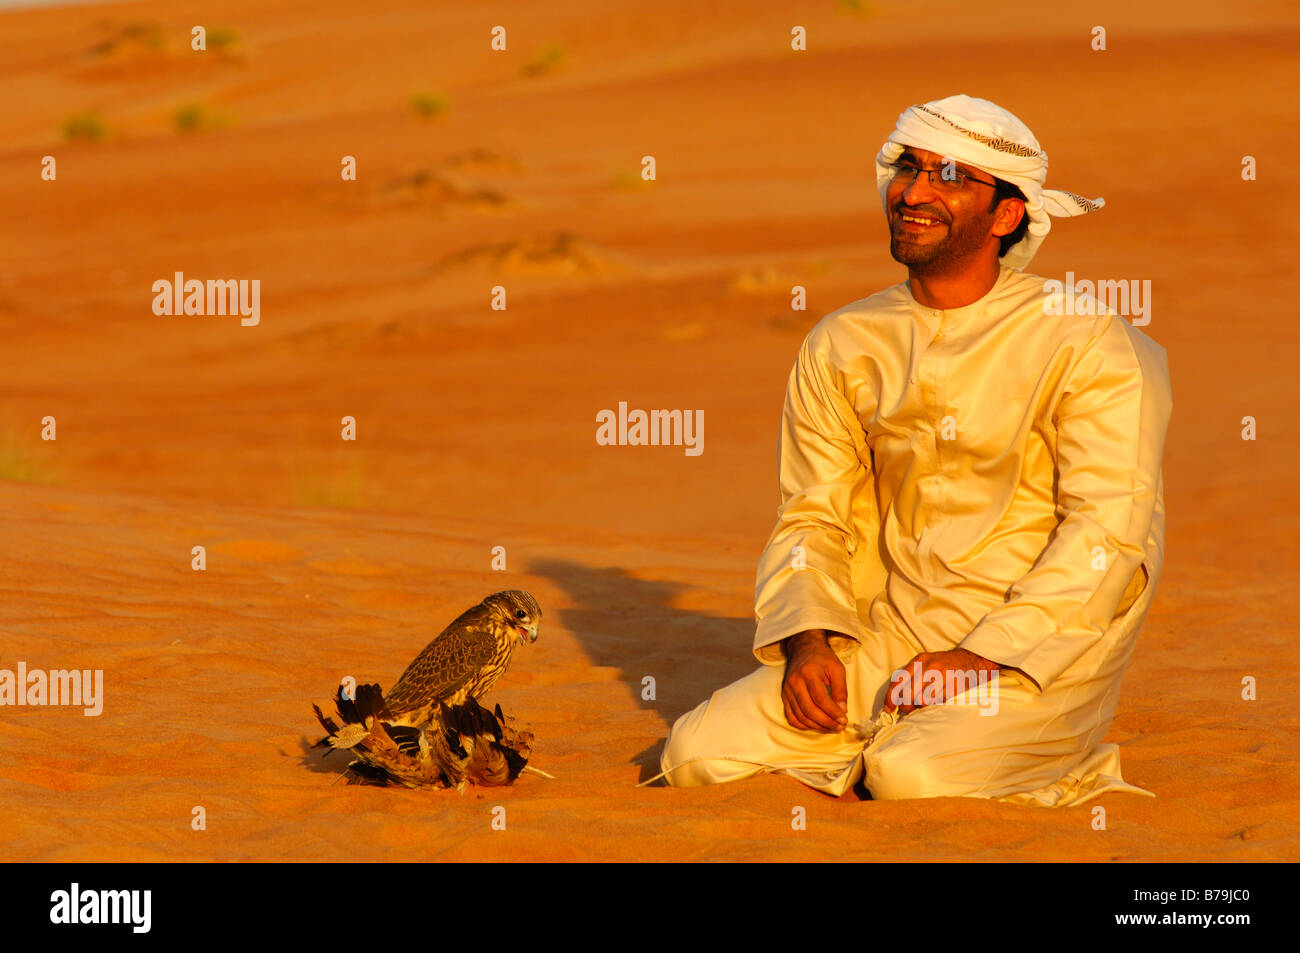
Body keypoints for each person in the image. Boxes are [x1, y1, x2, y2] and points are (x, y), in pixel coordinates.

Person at [657, 94, 1171, 806]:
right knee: (695, 754)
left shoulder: (1085, 340)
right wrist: (809, 640)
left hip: (1042, 649)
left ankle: (1034, 753)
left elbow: (1107, 531)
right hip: (888, 636)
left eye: (949, 176)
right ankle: (872, 746)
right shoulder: (844, 342)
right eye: (908, 168)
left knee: (911, 777)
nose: (914, 192)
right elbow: (812, 513)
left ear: (1007, 215)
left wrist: (980, 658)